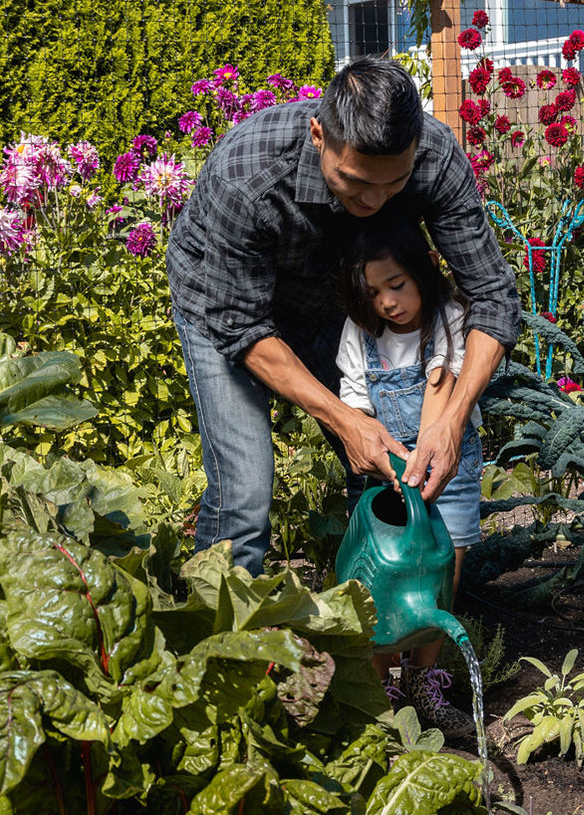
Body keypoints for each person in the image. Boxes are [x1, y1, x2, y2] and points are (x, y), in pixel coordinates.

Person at [167, 57, 520, 575]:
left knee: (388, 467)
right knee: (244, 495)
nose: (375, 201)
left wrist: (452, 418)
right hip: (225, 306)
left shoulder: (435, 157)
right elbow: (242, 327)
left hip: (340, 303)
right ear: (318, 135)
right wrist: (343, 417)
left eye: (393, 184)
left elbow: (493, 297)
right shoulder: (247, 174)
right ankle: (223, 645)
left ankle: (377, 624)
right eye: (354, 181)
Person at [336, 215, 481, 736]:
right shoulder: (360, 333)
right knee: (381, 580)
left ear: (422, 271)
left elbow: (445, 385)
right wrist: (391, 460)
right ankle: (386, 685)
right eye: (373, 293)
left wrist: (423, 459)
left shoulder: (449, 316)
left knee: (441, 575)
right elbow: (355, 405)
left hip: (449, 468)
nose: (387, 302)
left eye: (396, 285)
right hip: (386, 477)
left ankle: (425, 678)